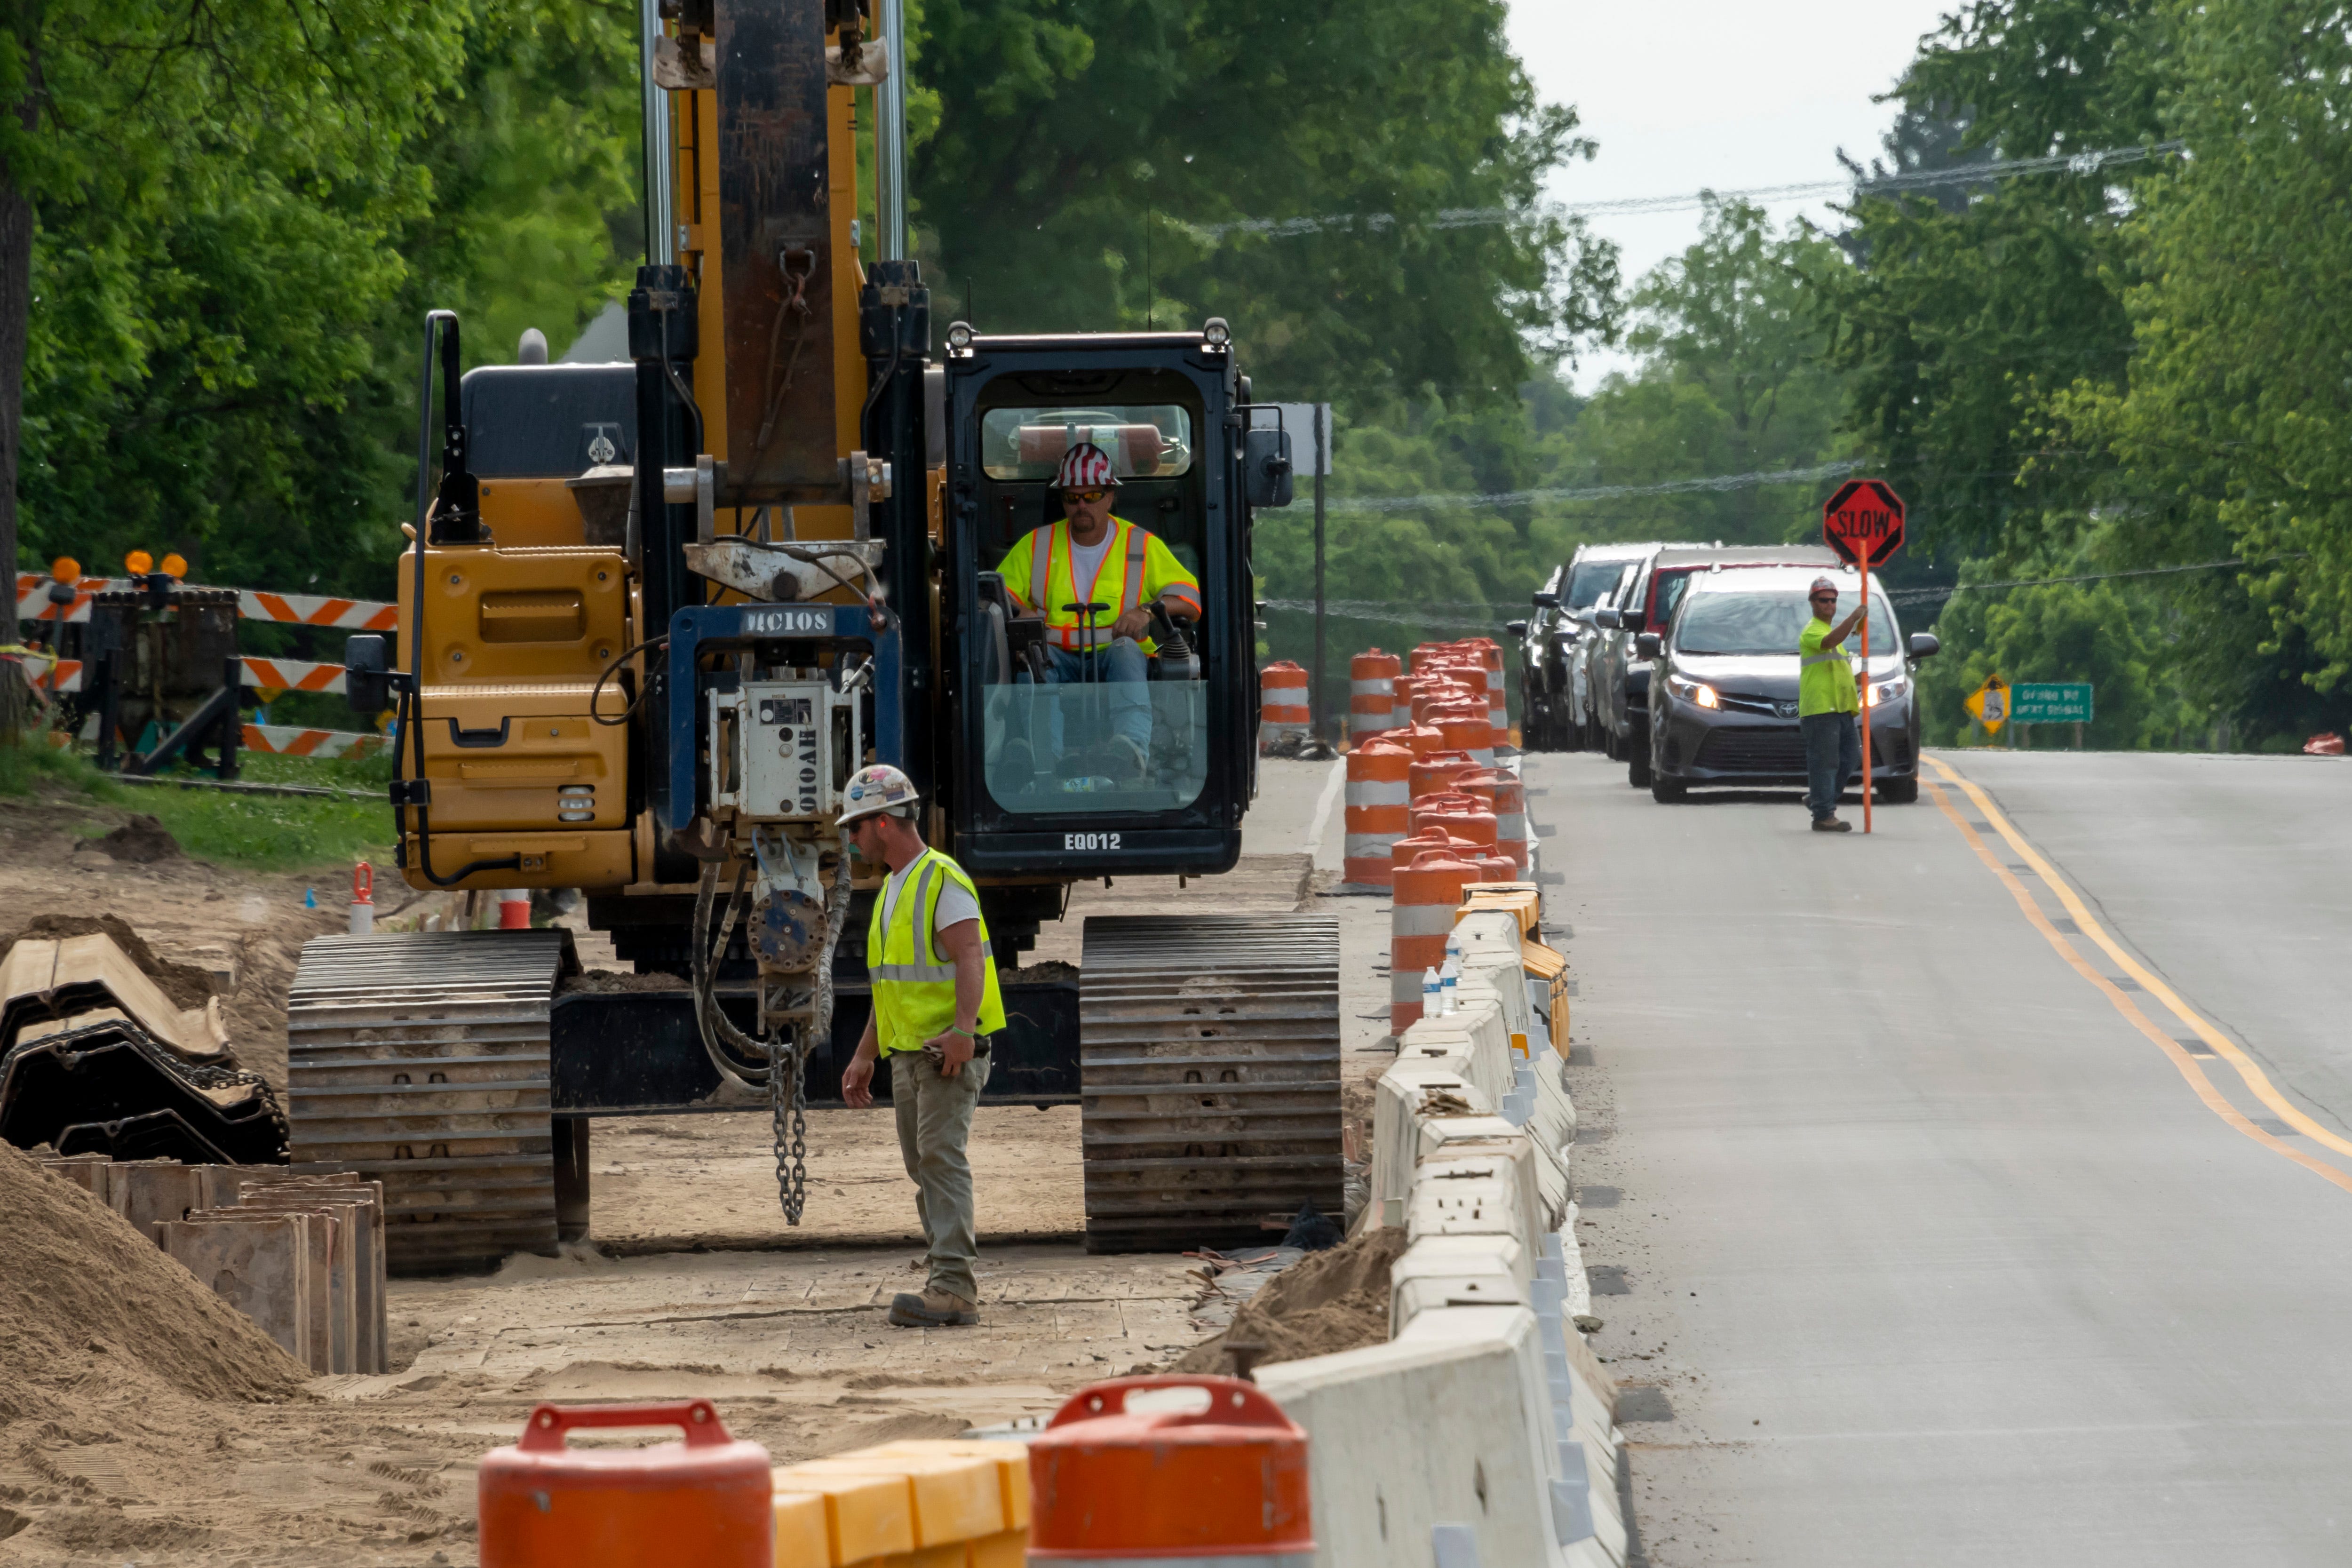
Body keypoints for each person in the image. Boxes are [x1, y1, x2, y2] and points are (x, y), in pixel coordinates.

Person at [836, 764, 1008, 1328]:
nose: (852, 839)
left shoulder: (941, 879)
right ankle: (945, 1274)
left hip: (945, 1053)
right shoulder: (892, 888)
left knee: (939, 1159)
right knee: (923, 1163)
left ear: (883, 822)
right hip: (909, 1054)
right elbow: (889, 986)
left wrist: (963, 1032)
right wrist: (867, 1052)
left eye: (855, 828)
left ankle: (954, 1288)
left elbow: (969, 957)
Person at [997, 441, 1201, 775]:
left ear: (1110, 496)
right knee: (1034, 660)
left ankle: (1129, 754)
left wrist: (1147, 611)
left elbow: (1190, 599)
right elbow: (996, 593)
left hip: (1115, 656)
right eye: (1071, 497)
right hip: (1056, 655)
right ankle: (1046, 765)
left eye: (1091, 496)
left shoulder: (1141, 544)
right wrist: (1018, 613)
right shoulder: (1037, 544)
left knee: (1125, 650)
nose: (1081, 505)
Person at [1799, 575, 1867, 833]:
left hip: (1841, 709)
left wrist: (1858, 680)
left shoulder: (1832, 637)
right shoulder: (1813, 631)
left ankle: (1820, 800)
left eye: (1833, 600)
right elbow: (1829, 643)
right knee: (1825, 762)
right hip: (1820, 709)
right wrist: (1854, 618)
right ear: (1813, 603)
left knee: (1851, 758)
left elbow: (1836, 671)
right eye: (1823, 600)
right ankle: (1823, 815)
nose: (1829, 604)